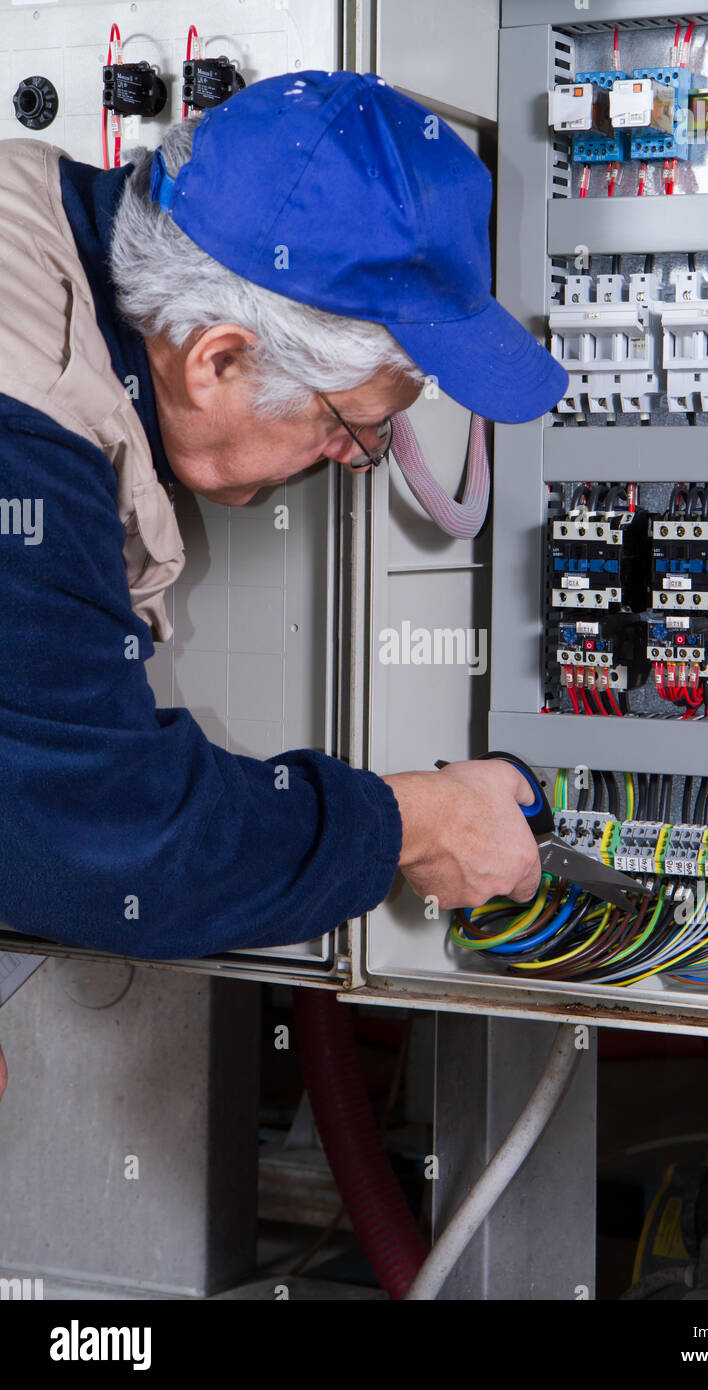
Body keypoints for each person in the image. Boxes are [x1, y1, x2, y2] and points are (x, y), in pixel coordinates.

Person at [0, 69, 567, 965]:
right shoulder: (19, 427)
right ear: (217, 362)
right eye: (355, 426)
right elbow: (111, 841)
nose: (355, 458)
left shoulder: (35, 226)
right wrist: (413, 821)